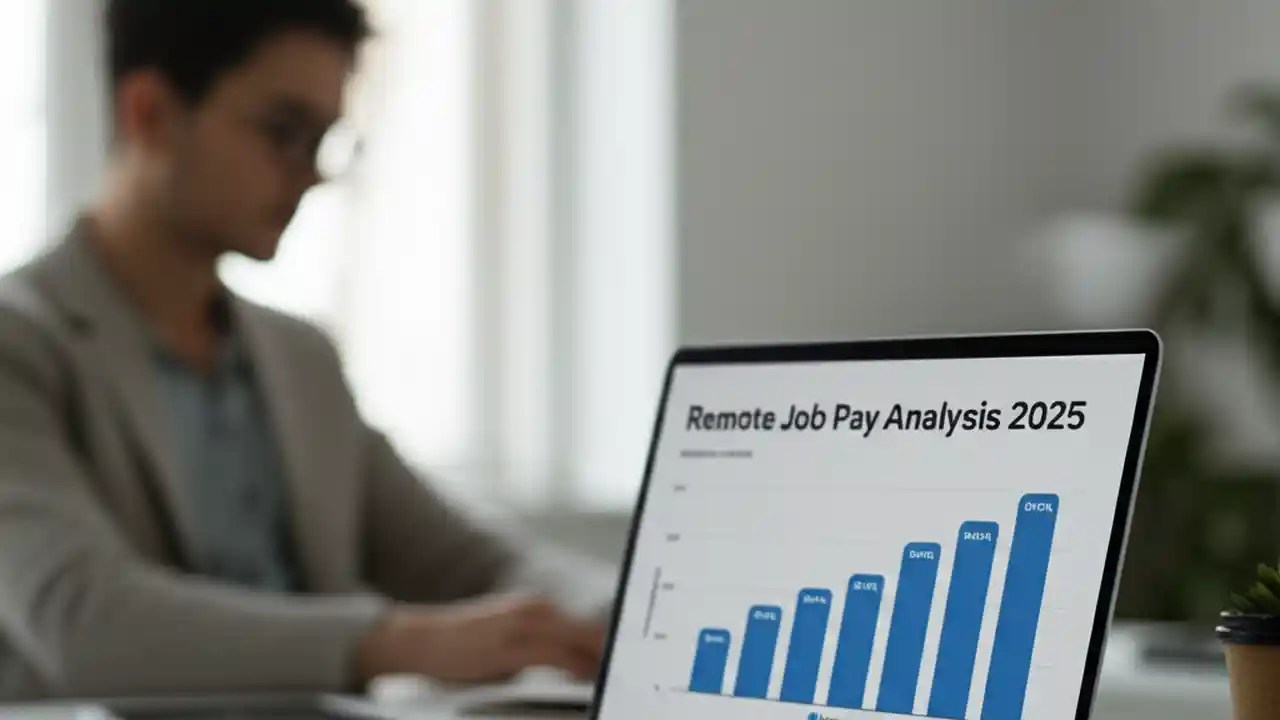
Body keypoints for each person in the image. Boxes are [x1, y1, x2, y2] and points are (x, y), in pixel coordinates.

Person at [0, 0, 611, 700]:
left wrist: (639, 615)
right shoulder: (19, 345)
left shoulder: (299, 360)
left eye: (325, 140)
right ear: (151, 113)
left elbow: (479, 563)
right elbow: (86, 624)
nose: (312, 173)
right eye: (284, 131)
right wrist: (402, 643)